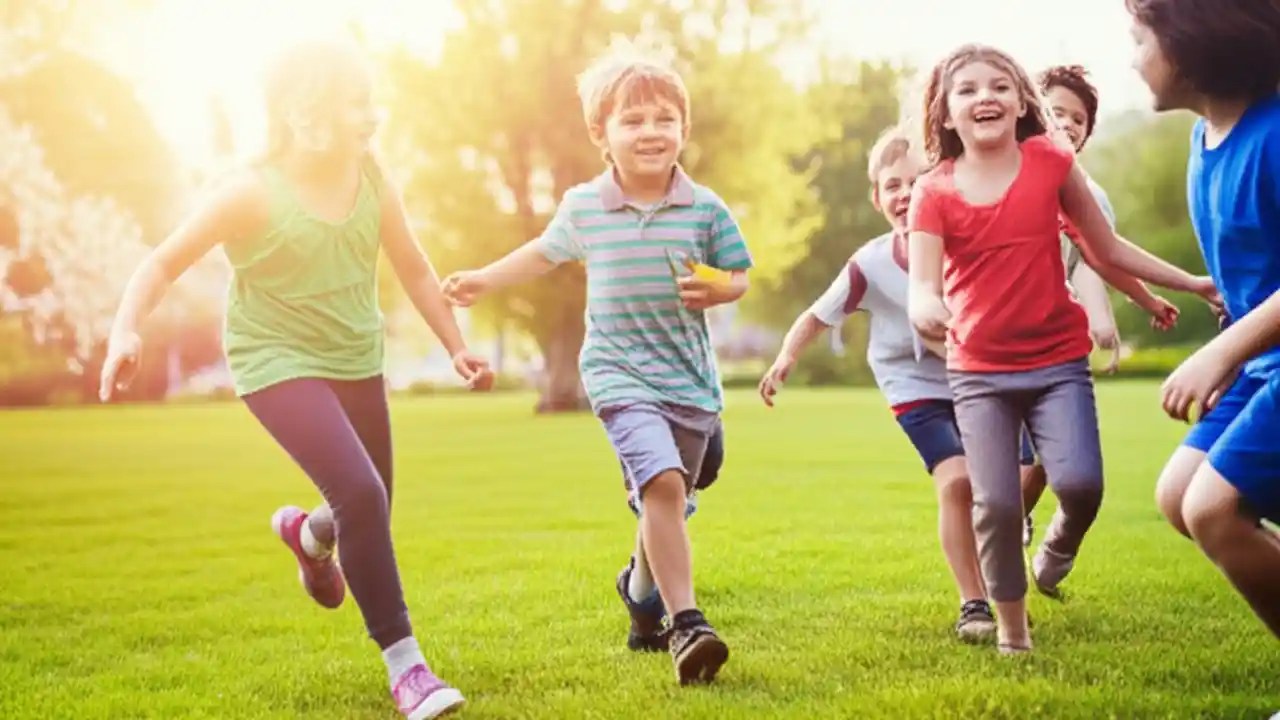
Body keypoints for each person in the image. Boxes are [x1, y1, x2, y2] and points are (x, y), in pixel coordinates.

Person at [98, 37, 490, 719]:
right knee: (362, 493)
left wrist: (456, 345)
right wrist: (126, 328)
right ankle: (409, 670)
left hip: (354, 356)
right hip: (273, 360)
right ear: (307, 112)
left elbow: (415, 267)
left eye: (372, 100)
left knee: (370, 503)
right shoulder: (251, 193)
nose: (372, 115)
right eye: (356, 103)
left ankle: (308, 538)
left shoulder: (372, 177)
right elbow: (160, 264)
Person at [441, 46, 752, 683]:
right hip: (617, 374)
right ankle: (686, 625)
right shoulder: (585, 206)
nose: (651, 132)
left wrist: (719, 287)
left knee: (669, 497)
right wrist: (483, 279)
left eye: (665, 119)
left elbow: (739, 276)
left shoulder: (706, 208)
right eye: (633, 120)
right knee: (663, 486)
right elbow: (541, 253)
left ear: (683, 131)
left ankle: (641, 598)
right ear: (601, 134)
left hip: (688, 380)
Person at [907, 43, 1219, 653]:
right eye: (966, 90)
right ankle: (1013, 632)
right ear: (944, 114)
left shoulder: (1050, 161)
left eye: (998, 85)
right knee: (995, 504)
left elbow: (1106, 249)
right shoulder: (933, 192)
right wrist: (928, 310)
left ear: (1022, 100)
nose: (985, 98)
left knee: (1080, 485)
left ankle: (1058, 545)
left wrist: (1189, 282)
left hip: (1056, 364)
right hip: (979, 372)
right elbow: (922, 283)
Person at [1127, 0, 1280, 638]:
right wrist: (1235, 350)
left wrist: (1220, 354)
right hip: (1261, 361)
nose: (1131, 60)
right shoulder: (1205, 138)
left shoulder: (1274, 134)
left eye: (1138, 41)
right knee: (1179, 496)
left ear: (1188, 45)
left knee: (1214, 509)